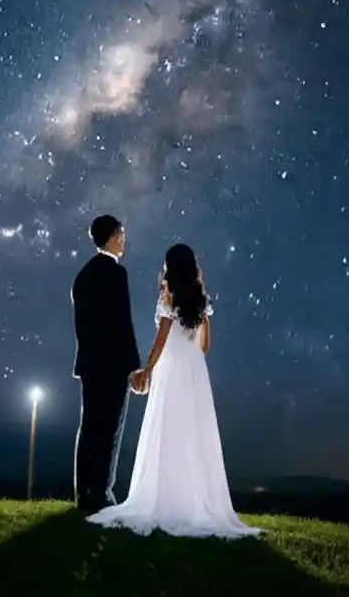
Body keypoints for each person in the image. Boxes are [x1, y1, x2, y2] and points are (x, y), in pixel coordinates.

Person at [87, 243, 260, 538]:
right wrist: (191, 355)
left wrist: (148, 368)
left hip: (172, 366)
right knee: (194, 432)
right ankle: (194, 501)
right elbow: (204, 345)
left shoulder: (169, 295)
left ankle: (164, 497)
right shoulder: (201, 299)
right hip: (194, 368)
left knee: (166, 429)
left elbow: (162, 337)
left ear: (170, 266)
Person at [70, 215, 142, 514]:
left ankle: (84, 494)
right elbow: (121, 323)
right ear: (112, 236)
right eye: (121, 233)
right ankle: (101, 495)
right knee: (109, 430)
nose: (124, 239)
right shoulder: (115, 273)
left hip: (89, 365)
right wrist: (134, 366)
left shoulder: (82, 275)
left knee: (89, 429)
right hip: (112, 365)